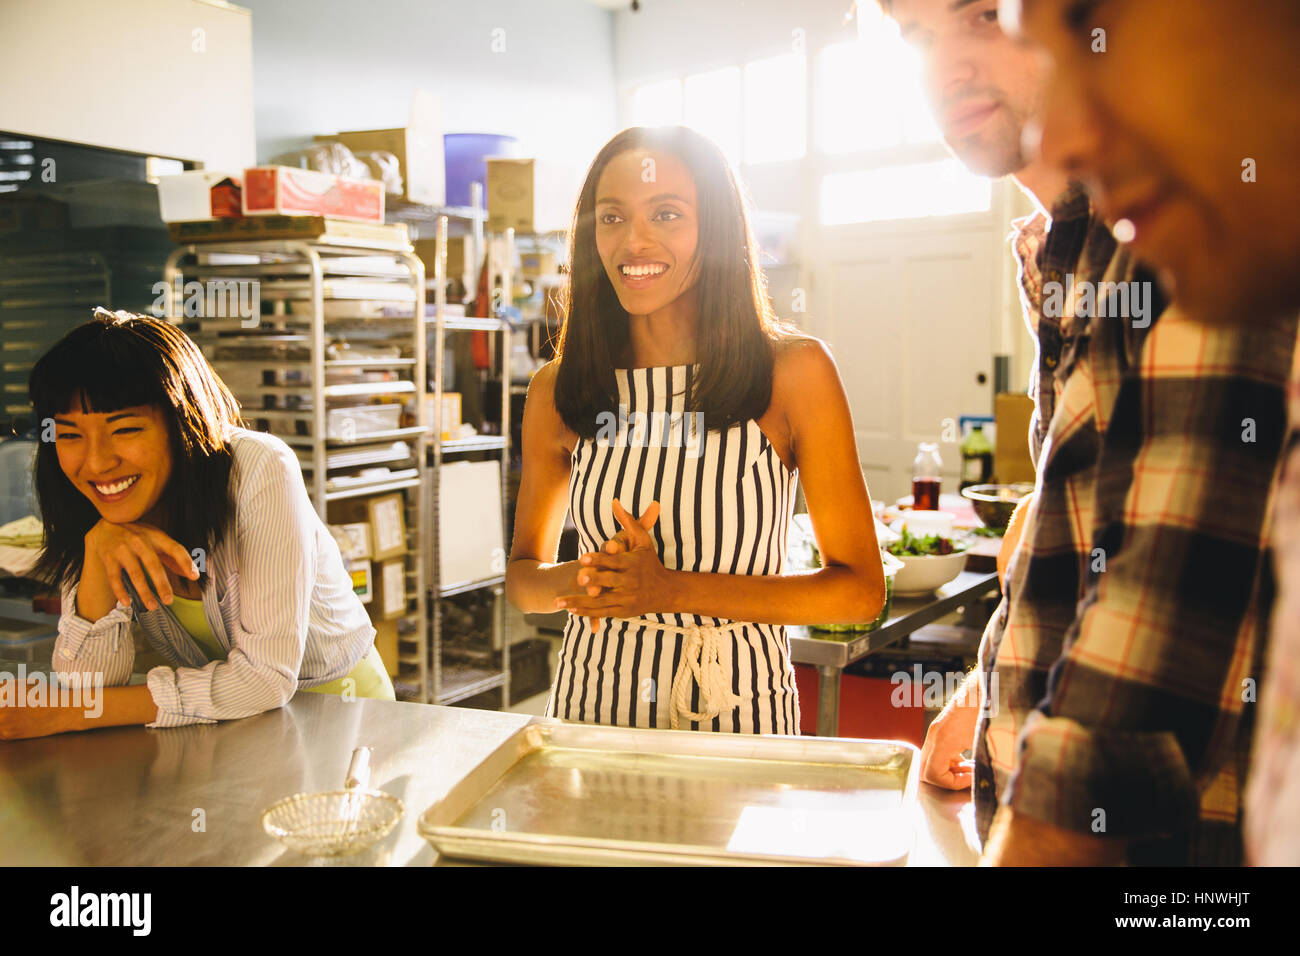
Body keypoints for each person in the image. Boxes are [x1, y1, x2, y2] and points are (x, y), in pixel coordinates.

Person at [886, 0, 1296, 865]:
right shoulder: (1065, 250)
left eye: (986, 19)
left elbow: (1165, 622)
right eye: (917, 37)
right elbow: (1084, 548)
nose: (944, 68)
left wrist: (1044, 830)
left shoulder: (1179, 224)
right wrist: (989, 683)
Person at [505, 125, 885, 734]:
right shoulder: (559, 388)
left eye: (667, 213)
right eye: (611, 217)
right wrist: (594, 578)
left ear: (717, 230)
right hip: (590, 714)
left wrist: (668, 590)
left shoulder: (794, 372)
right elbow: (523, 581)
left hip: (735, 716)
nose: (635, 241)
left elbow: (858, 591)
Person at [0, 308, 392, 741]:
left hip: (344, 715)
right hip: (229, 724)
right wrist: (96, 557)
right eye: (71, 434)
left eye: (125, 429)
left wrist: (66, 713)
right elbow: (90, 687)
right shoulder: (89, 504)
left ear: (181, 423)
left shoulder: (259, 469)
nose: (96, 463)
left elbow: (265, 679)